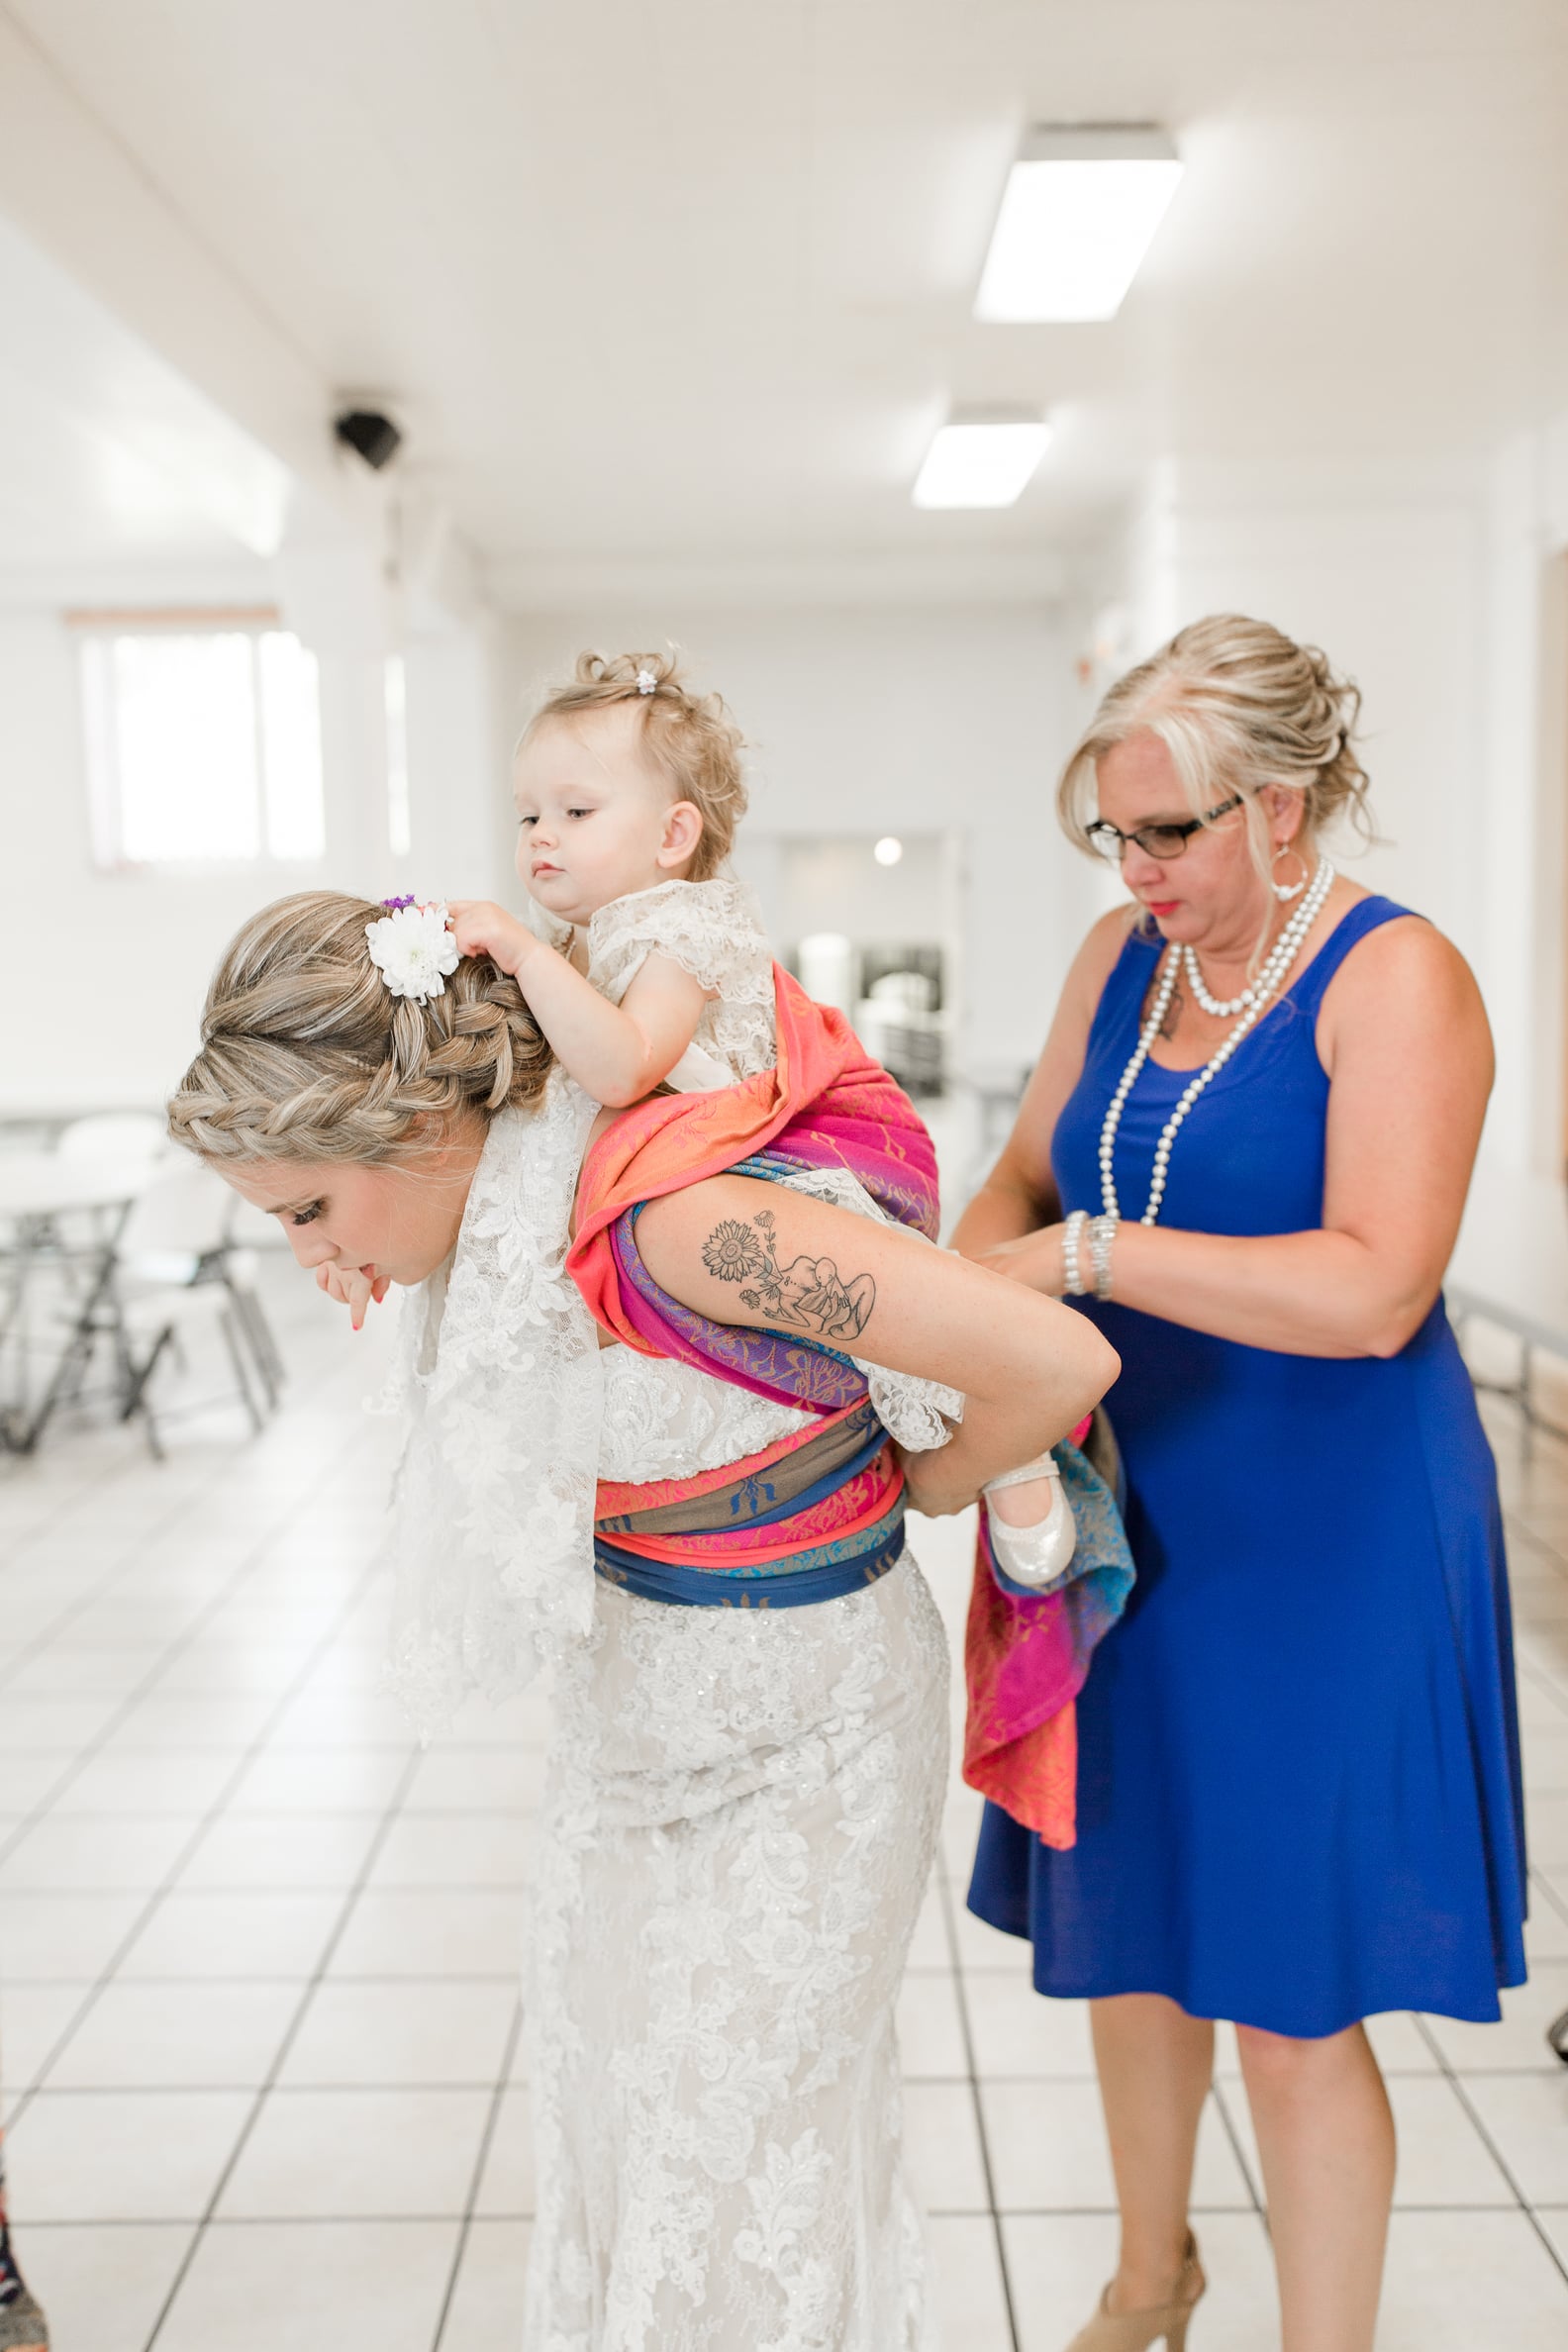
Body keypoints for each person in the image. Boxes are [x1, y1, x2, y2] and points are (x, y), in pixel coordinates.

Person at [168, 889, 1118, 2349]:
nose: (312, 1255)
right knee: (623, 2141)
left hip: (811, 1752)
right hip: (626, 1749)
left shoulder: (691, 1227)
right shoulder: (485, 1245)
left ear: (421, 1127)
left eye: (309, 1210)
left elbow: (1055, 1358)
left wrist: (926, 1482)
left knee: (744, 2171)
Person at [952, 614, 1526, 2352]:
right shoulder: (1120, 963)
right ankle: (1153, 2276)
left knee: (1292, 1993)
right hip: (1143, 1514)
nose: (1139, 870)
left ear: (1283, 809)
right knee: (1130, 1930)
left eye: (1171, 832)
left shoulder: (1394, 975)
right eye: (1114, 834)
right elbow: (1018, 1184)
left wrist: (1093, 1262)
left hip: (1334, 1530)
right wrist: (960, 1303)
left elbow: (1375, 1289)